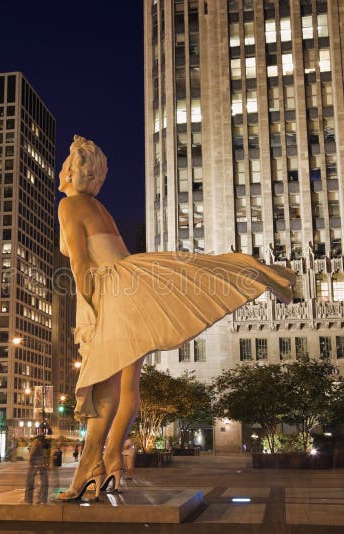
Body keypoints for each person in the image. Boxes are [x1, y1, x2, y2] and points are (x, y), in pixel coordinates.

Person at [56, 135, 295, 500]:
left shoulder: (70, 206)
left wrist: (88, 305)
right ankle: (112, 460)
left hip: (112, 292)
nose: (62, 170)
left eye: (66, 165)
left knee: (104, 386)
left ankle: (91, 468)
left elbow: (80, 261)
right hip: (131, 283)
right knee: (127, 384)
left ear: (74, 172)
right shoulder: (101, 209)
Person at [24, 435, 49, 504]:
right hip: (42, 463)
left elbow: (32, 451)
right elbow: (46, 454)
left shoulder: (36, 442)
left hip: (34, 463)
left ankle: (28, 499)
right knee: (44, 482)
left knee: (30, 481)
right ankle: (42, 500)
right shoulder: (45, 443)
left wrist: (29, 459)